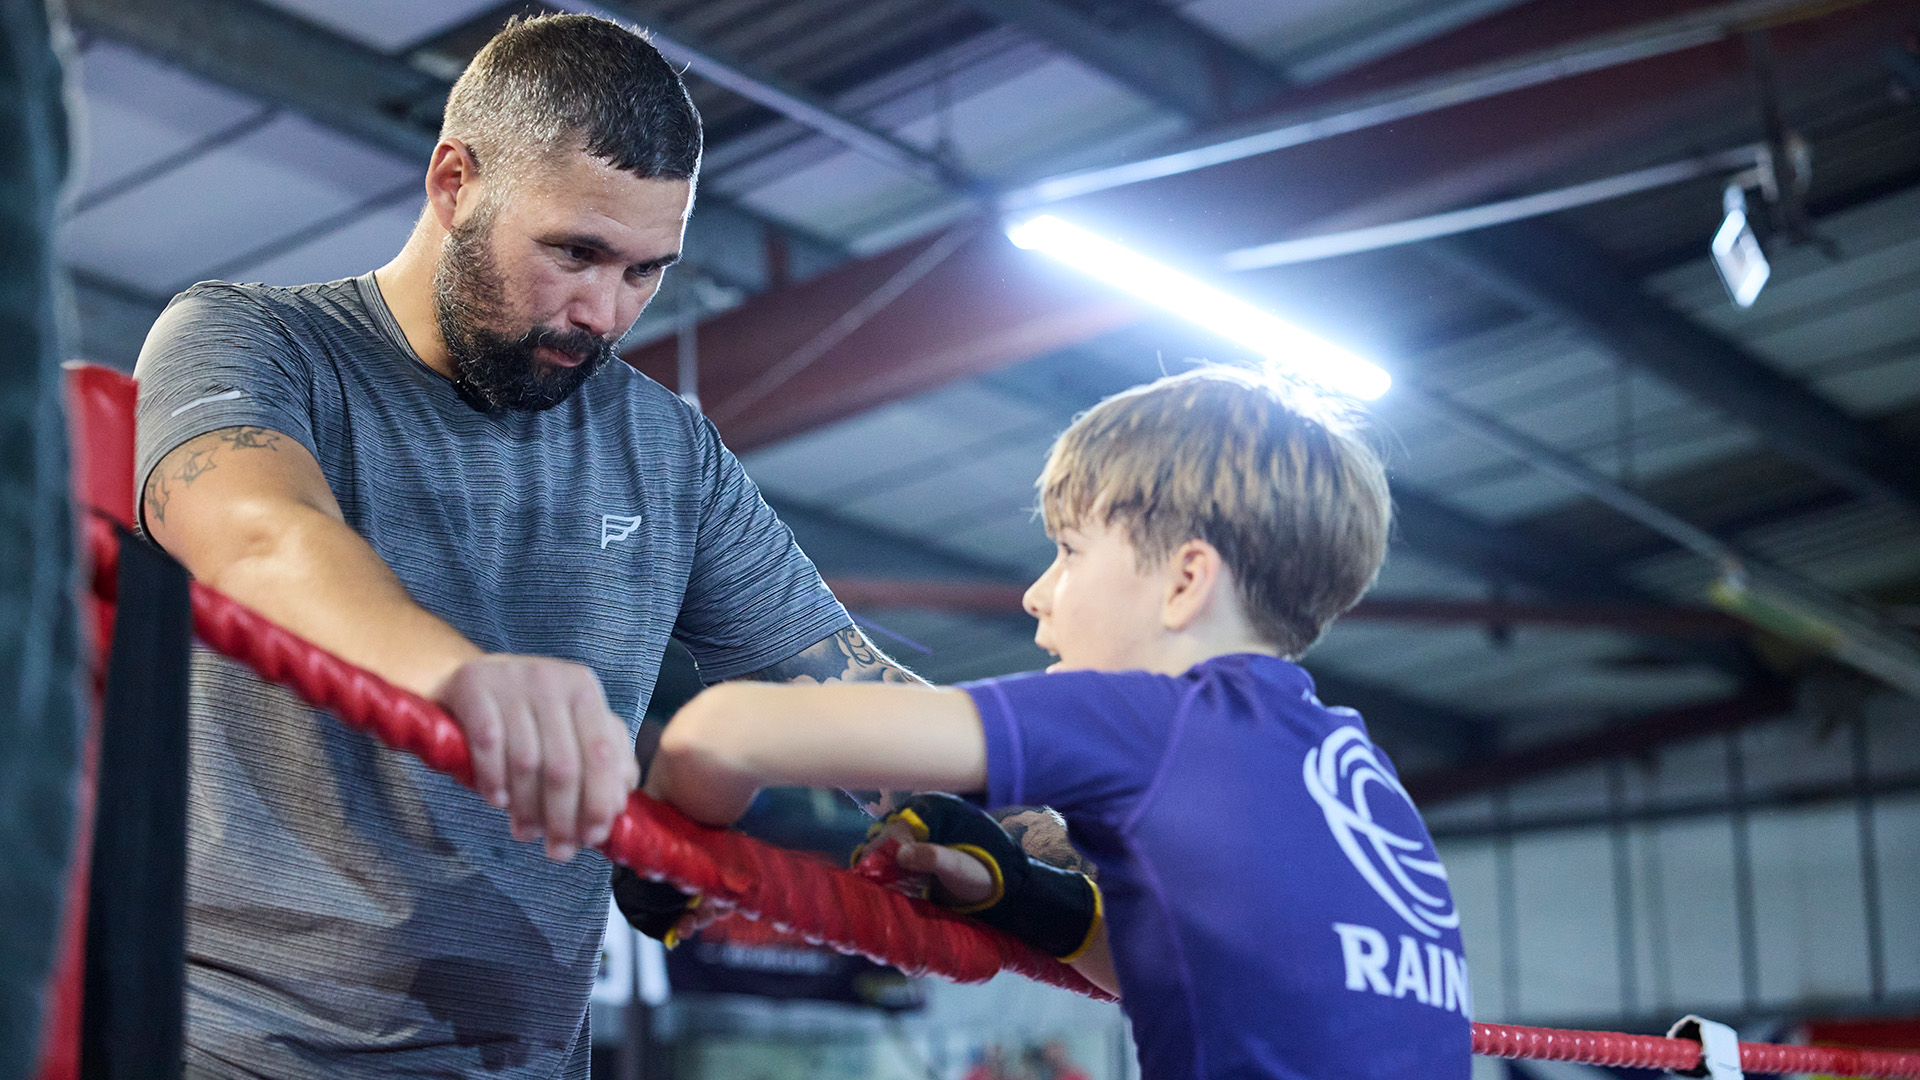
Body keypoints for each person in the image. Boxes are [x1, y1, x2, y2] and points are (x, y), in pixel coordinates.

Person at [130, 14, 996, 1078]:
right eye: (575, 252)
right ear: (454, 181)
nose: (603, 311)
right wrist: (458, 674)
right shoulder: (256, 340)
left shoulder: (666, 451)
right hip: (227, 1046)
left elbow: (843, 685)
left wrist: (1048, 832)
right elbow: (256, 530)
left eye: (645, 272)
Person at [645, 368, 1475, 1079]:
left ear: (1186, 581)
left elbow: (725, 728)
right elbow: (1234, 974)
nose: (1037, 594)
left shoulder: (1150, 718)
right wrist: (1028, 896)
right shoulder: (1347, 762)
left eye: (1070, 552)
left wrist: (681, 855)